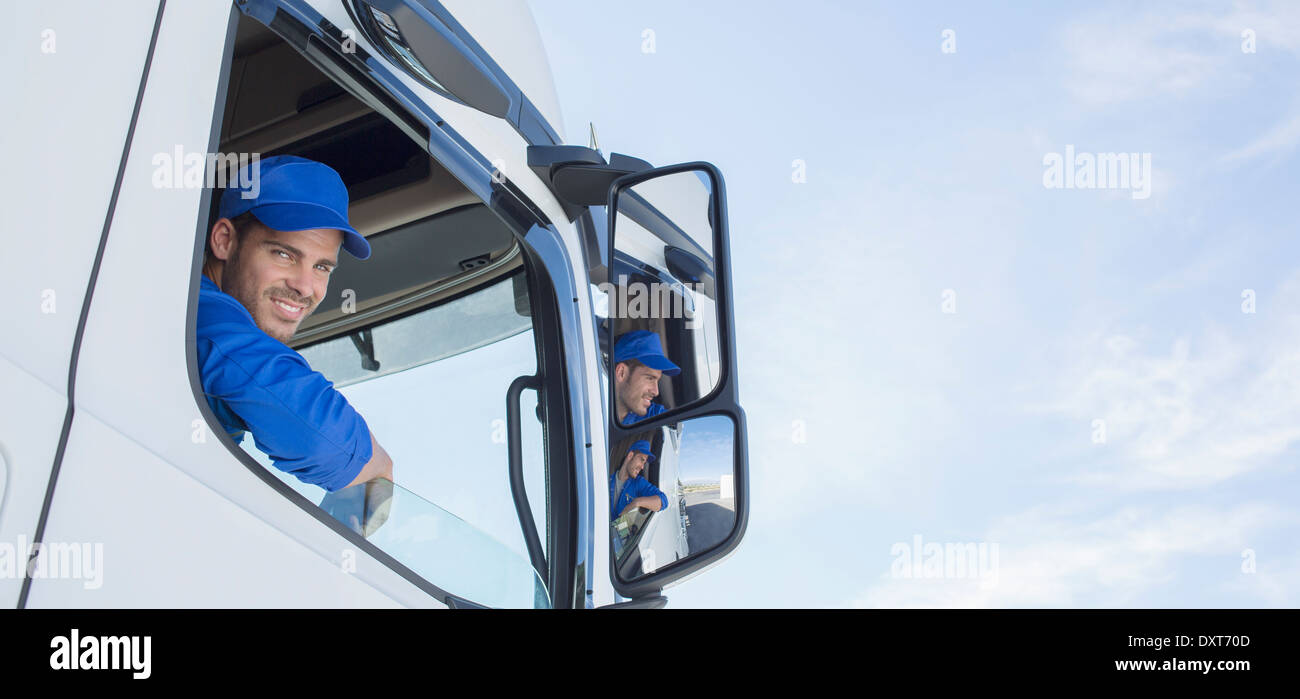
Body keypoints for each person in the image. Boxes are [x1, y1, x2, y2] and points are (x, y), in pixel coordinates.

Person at [196, 155, 394, 498]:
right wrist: (374, 466)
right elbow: (329, 445)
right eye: (284, 255)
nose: (305, 287)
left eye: (322, 267)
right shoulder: (200, 313)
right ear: (225, 240)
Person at [613, 330, 680, 426]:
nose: (656, 392)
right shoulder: (591, 414)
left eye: (657, 380)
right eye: (650, 378)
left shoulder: (652, 414)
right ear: (621, 373)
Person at [609, 440, 668, 521]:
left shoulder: (639, 483)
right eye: (642, 460)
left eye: (644, 463)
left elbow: (663, 501)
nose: (642, 467)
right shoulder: (607, 481)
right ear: (630, 456)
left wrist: (637, 502)